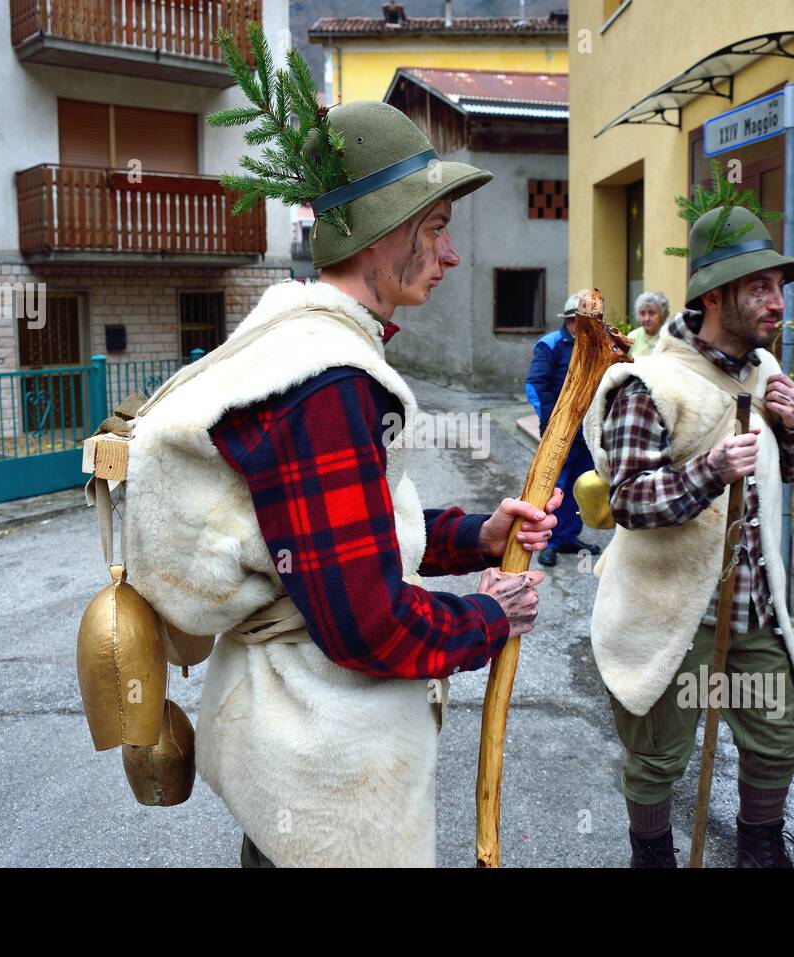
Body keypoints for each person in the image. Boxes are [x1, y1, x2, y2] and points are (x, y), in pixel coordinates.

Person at [127, 95, 562, 867]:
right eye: (435, 228)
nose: (450, 254)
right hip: (327, 786)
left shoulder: (304, 348)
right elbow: (367, 622)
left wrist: (476, 537)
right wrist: (487, 618)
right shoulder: (327, 381)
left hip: (298, 758)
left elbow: (341, 533)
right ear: (381, 233)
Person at [580, 204, 794, 868]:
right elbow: (629, 499)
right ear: (715, 296)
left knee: (776, 742)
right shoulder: (653, 385)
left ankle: (760, 850)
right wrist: (710, 470)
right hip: (670, 614)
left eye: (780, 286)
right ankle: (652, 855)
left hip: (753, 609)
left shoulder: (768, 375)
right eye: (760, 288)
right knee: (658, 755)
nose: (778, 301)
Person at [526, 291, 605, 568]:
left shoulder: (597, 346)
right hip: (560, 433)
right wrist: (553, 425)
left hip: (587, 432)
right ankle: (548, 542)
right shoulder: (549, 345)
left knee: (579, 486)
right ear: (572, 321)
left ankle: (569, 537)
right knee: (553, 487)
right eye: (585, 322)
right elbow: (536, 386)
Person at [627, 290, 669, 358]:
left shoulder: (668, 336)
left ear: (662, 314)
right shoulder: (632, 337)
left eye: (652, 313)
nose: (646, 318)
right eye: (642, 313)